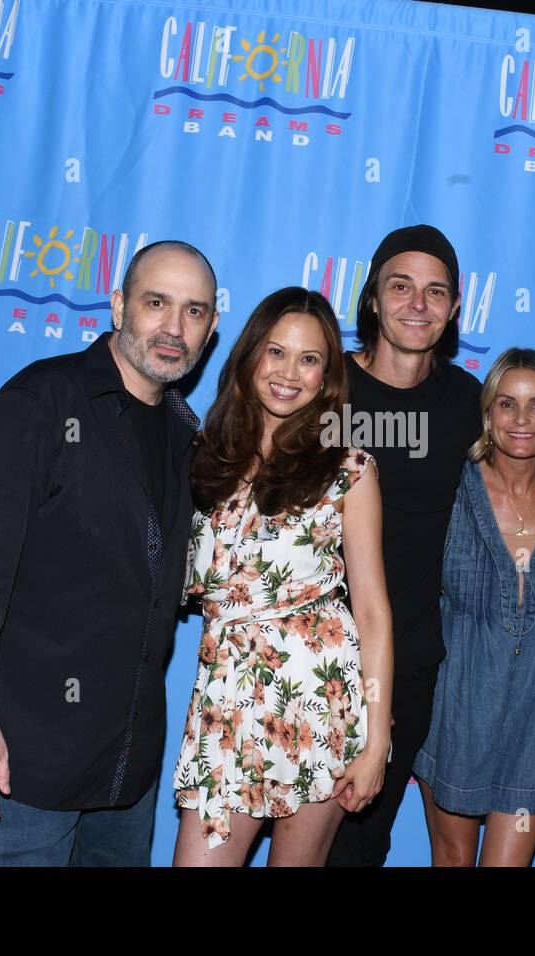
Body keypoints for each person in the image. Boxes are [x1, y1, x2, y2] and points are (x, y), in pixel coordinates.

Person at [0, 241, 218, 866]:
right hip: (26, 756)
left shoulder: (188, 437)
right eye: (156, 302)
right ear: (117, 306)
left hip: (127, 763)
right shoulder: (43, 401)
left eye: (194, 311)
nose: (173, 327)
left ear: (211, 330)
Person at [172, 287, 393, 866]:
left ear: (327, 378)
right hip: (225, 702)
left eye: (310, 358)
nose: (289, 373)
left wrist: (375, 742)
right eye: (276, 352)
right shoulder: (202, 456)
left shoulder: (349, 468)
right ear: (249, 358)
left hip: (320, 701)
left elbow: (371, 612)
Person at [324, 225, 484, 867]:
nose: (418, 304)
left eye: (435, 291)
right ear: (371, 300)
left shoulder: (470, 402)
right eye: (401, 286)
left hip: (407, 663)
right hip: (305, 654)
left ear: (452, 309)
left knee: (362, 842)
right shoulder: (318, 384)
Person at [413, 348, 535, 866]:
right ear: (487, 414)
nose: (521, 420)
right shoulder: (450, 484)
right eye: (506, 404)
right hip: (458, 707)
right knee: (451, 861)